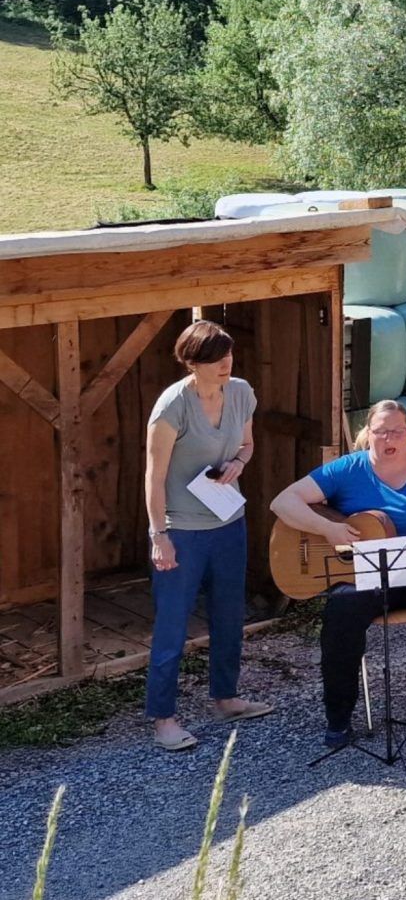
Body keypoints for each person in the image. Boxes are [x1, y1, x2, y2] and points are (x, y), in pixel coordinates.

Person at [270, 401, 406, 750]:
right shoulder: (347, 469)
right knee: (339, 619)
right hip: (363, 573)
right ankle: (338, 719)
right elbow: (282, 502)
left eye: (397, 431)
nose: (390, 438)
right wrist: (328, 528)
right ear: (368, 433)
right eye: (382, 431)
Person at [142, 320, 274, 752]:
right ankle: (163, 718)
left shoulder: (242, 392)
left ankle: (226, 698)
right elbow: (154, 477)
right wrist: (159, 535)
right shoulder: (172, 406)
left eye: (228, 354)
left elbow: (247, 444)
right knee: (173, 623)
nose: (226, 363)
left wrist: (239, 463)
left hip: (228, 521)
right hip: (182, 528)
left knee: (230, 614)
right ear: (192, 363)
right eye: (215, 358)